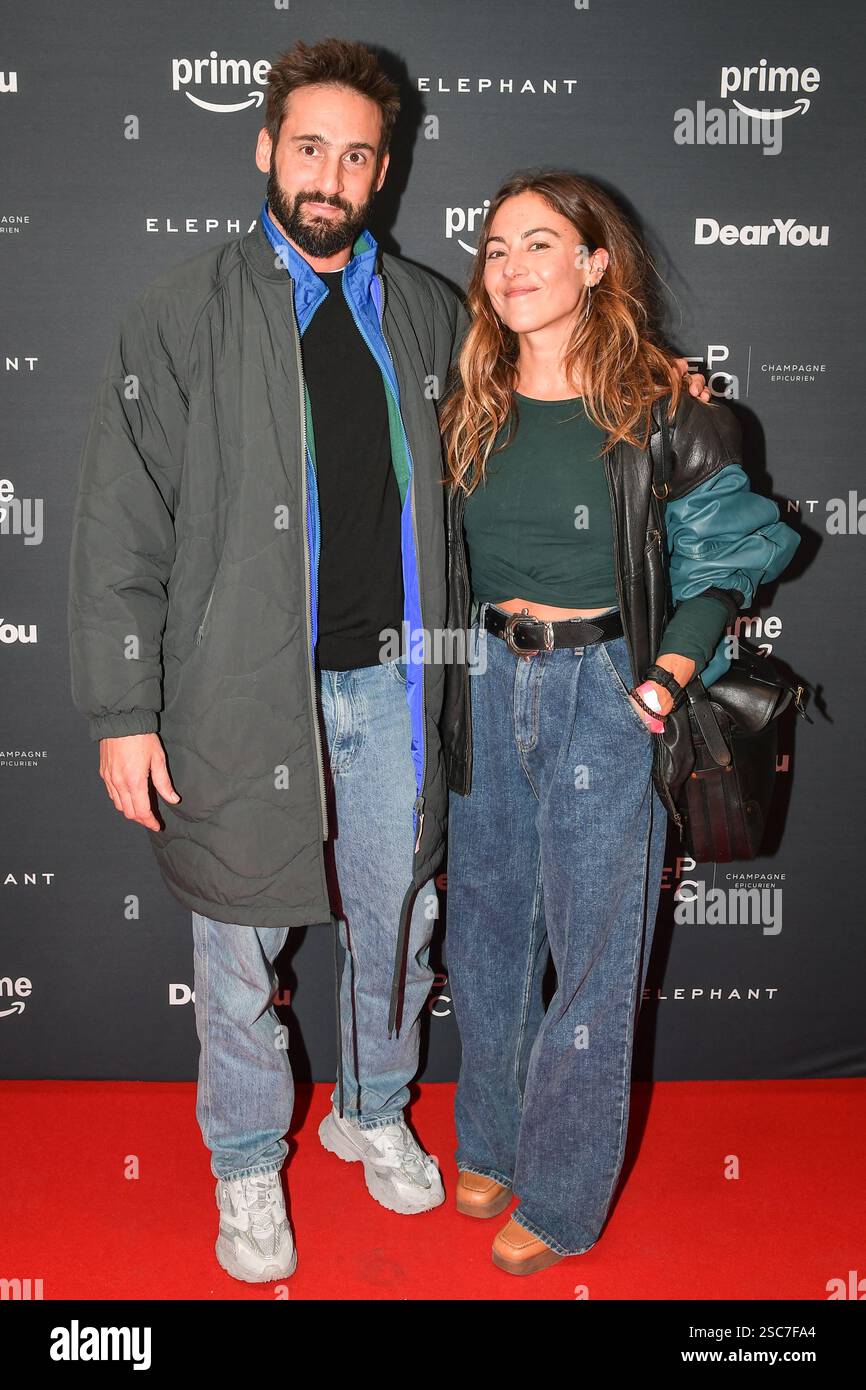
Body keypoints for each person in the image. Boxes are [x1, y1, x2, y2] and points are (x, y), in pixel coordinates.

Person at [67, 37, 708, 1284]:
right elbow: (117, 523)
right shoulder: (177, 312)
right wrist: (119, 706)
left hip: (398, 689)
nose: (331, 173)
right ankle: (249, 1160)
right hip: (233, 694)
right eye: (308, 146)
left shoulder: (424, 310)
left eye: (357, 153)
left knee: (397, 924)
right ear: (265, 147)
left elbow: (554, 377)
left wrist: (663, 392)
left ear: (384, 168)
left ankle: (370, 1108)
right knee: (238, 944)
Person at [438, 170, 801, 1275]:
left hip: (604, 689)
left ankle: (563, 1194)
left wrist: (667, 673)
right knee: (487, 934)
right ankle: (491, 1139)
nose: (510, 268)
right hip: (485, 682)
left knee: (595, 958)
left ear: (595, 262)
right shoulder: (466, 402)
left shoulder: (662, 409)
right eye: (496, 247)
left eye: (538, 244)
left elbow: (739, 548)